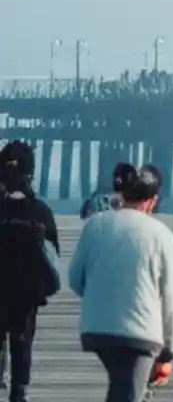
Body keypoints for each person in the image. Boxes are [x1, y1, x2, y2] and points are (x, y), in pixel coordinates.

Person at [68, 164, 173, 402]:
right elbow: (170, 297)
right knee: (128, 393)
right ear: (153, 200)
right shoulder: (162, 234)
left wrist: (101, 296)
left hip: (97, 328)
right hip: (140, 333)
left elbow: (75, 279)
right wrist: (169, 352)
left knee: (123, 387)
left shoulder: (96, 224)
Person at [0, 141, 60, 402]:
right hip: (27, 291)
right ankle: (19, 391)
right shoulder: (40, 210)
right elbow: (52, 251)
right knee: (22, 342)